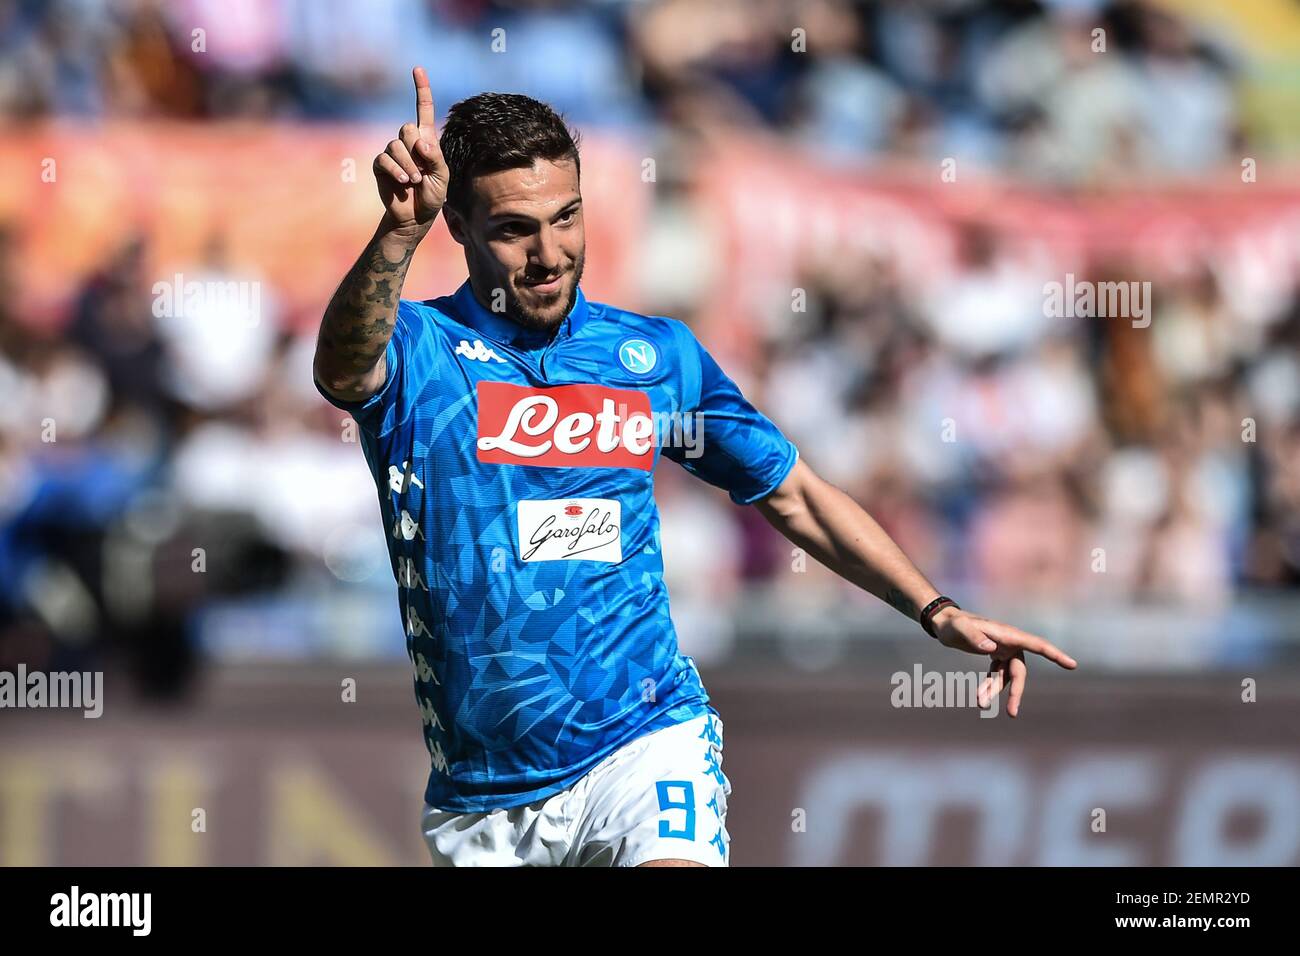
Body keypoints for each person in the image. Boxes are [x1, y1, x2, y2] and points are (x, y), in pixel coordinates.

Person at [312, 66, 1078, 867]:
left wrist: (936, 608)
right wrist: (396, 235)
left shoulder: (654, 359)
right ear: (458, 227)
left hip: (644, 744)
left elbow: (796, 496)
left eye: (567, 218)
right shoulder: (419, 354)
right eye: (514, 229)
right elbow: (341, 369)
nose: (550, 254)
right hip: (486, 800)